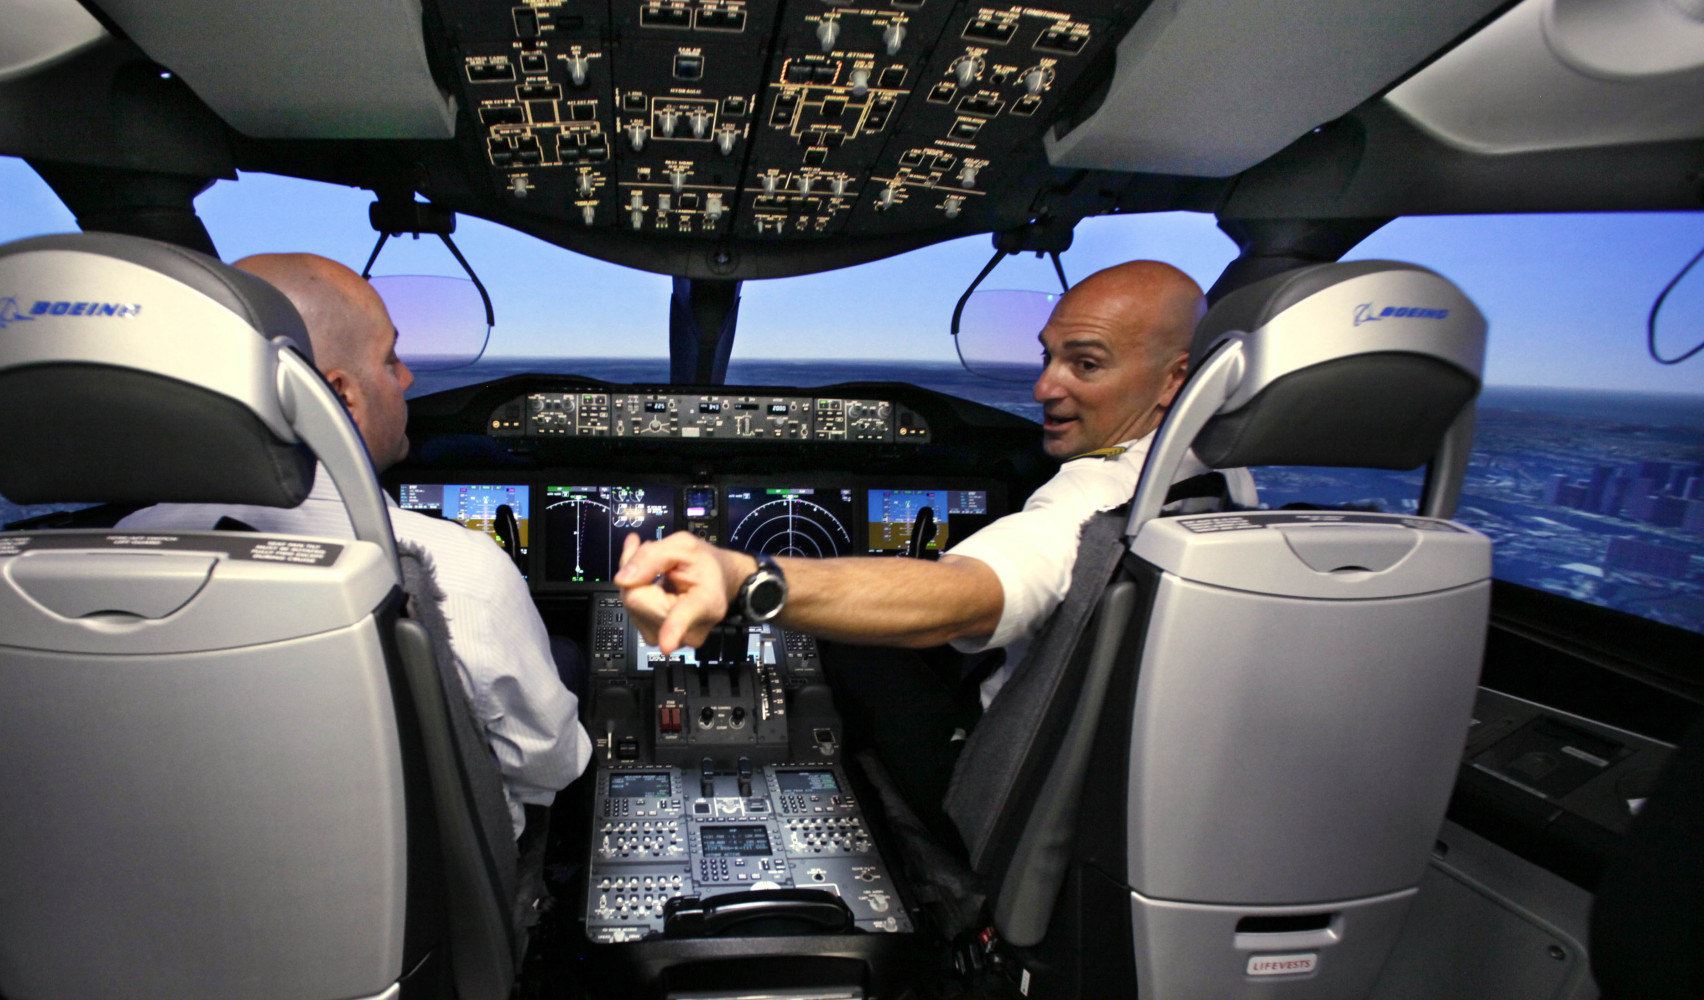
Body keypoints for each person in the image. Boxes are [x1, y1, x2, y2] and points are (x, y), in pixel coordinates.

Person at [613, 261, 1218, 822]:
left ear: (1176, 378)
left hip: (993, 777)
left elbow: (967, 591)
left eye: (1086, 364)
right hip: (1105, 785)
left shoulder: (1093, 500)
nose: (1043, 389)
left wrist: (748, 578)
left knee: (846, 644)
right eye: (1048, 358)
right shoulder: (1218, 474)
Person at [118, 253, 590, 839]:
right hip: (432, 913)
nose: (409, 379)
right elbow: (552, 764)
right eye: (390, 357)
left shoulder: (125, 543)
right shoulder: (460, 572)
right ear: (339, 395)